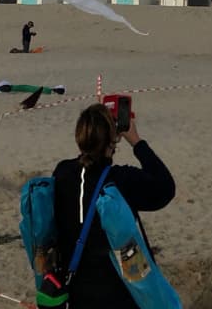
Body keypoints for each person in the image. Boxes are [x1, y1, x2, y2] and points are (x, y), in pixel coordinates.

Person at [45, 103, 176, 306]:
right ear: (112, 140)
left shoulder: (62, 173)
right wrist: (136, 141)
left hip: (75, 291)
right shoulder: (121, 181)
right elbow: (166, 188)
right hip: (116, 295)